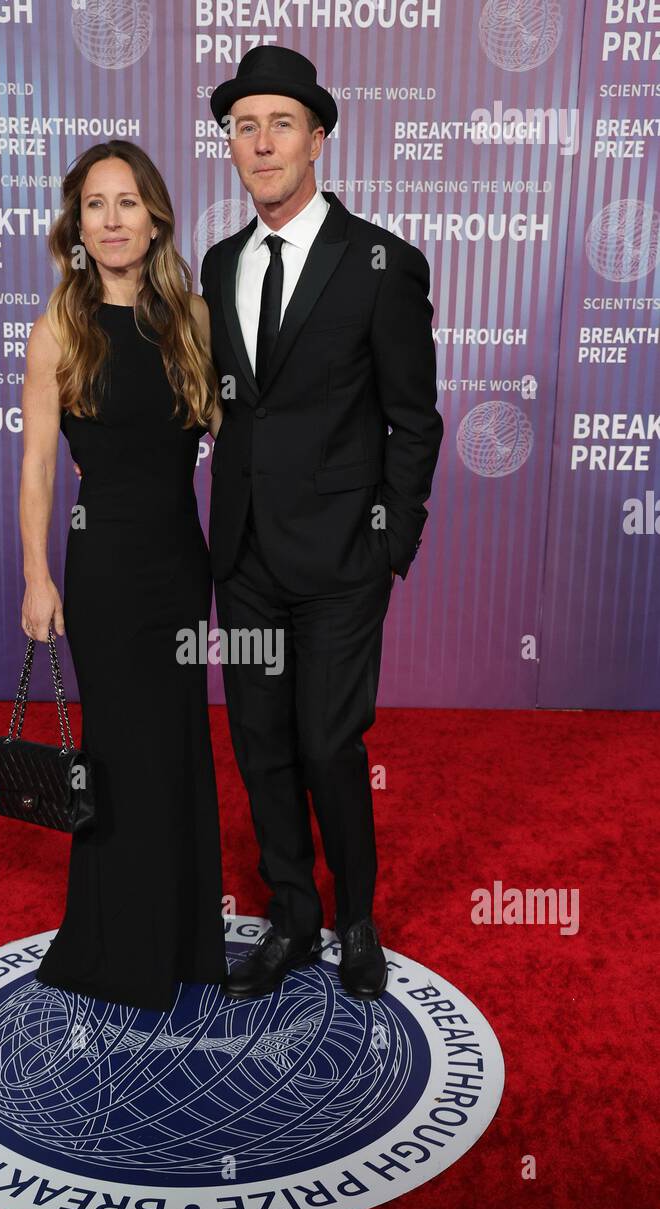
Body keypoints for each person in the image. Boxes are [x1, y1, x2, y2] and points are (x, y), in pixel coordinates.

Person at [200, 45, 444, 1001]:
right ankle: (292, 915)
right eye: (244, 127)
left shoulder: (382, 263)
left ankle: (356, 919)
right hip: (245, 556)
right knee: (259, 739)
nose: (261, 144)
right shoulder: (219, 264)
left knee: (327, 742)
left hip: (344, 557)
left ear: (320, 140)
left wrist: (393, 541)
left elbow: (413, 418)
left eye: (280, 125)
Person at [21, 139, 228, 1011]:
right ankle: (117, 944)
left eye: (127, 202)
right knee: (118, 749)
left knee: (178, 739)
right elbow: (37, 467)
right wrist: (37, 577)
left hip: (181, 563)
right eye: (96, 205)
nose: (112, 220)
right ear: (78, 225)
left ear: (155, 218)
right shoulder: (60, 326)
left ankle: (183, 937)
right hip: (100, 563)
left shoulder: (192, 317)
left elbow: (228, 426)